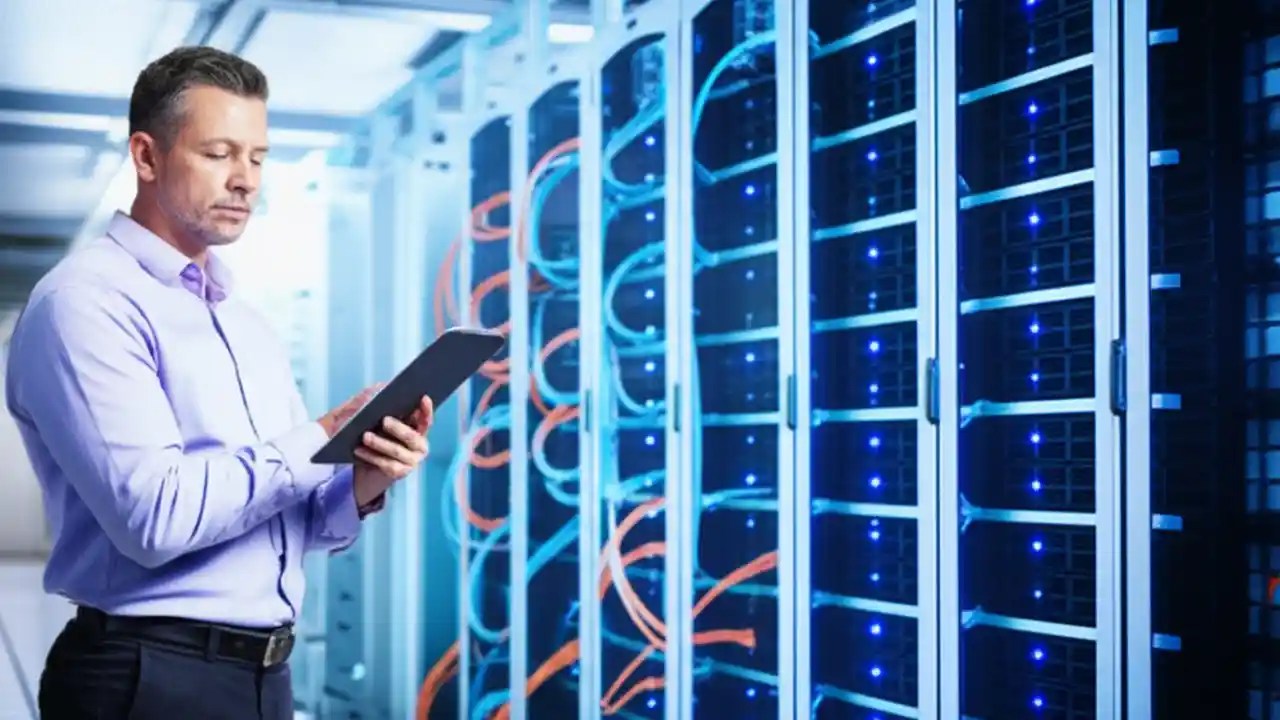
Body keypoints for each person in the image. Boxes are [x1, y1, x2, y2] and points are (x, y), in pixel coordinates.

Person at [3, 45, 429, 719]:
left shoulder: (242, 320)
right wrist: (315, 438)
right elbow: (155, 518)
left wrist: (363, 477)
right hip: (148, 678)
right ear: (146, 156)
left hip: (261, 677)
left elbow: (292, 522)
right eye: (219, 153)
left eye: (258, 157)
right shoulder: (86, 303)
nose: (246, 179)